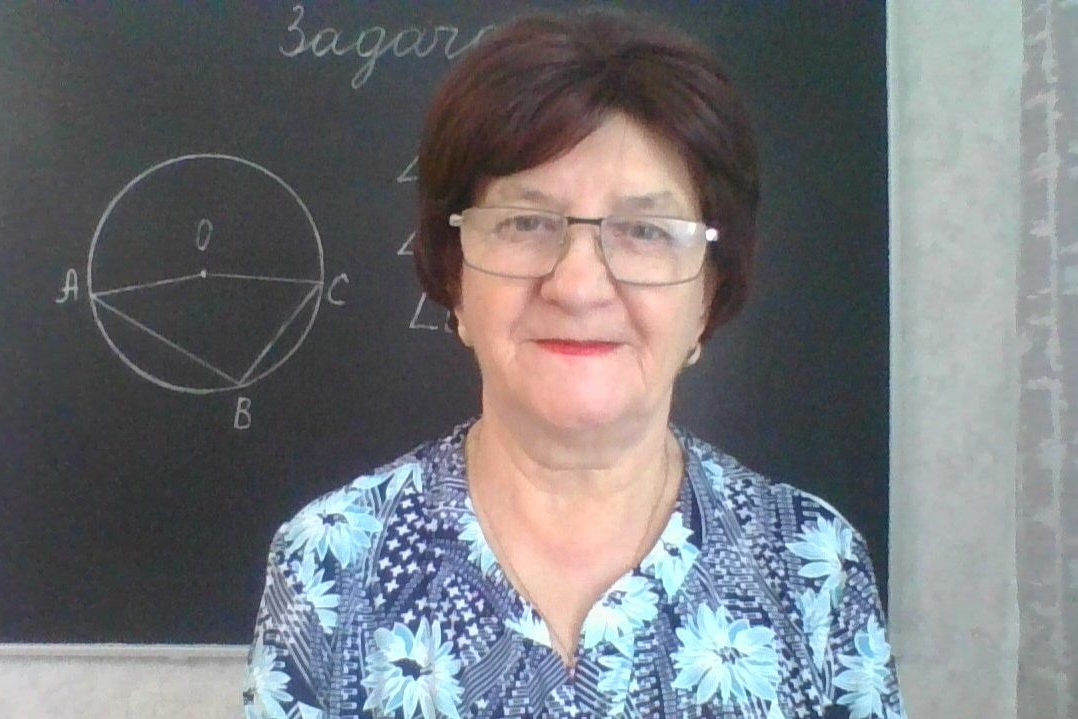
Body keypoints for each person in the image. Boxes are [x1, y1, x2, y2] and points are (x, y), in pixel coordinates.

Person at [244, 8, 904, 719]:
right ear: (455, 276)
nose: (578, 285)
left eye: (645, 230)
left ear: (707, 295)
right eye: (526, 222)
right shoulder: (332, 561)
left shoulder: (815, 568)